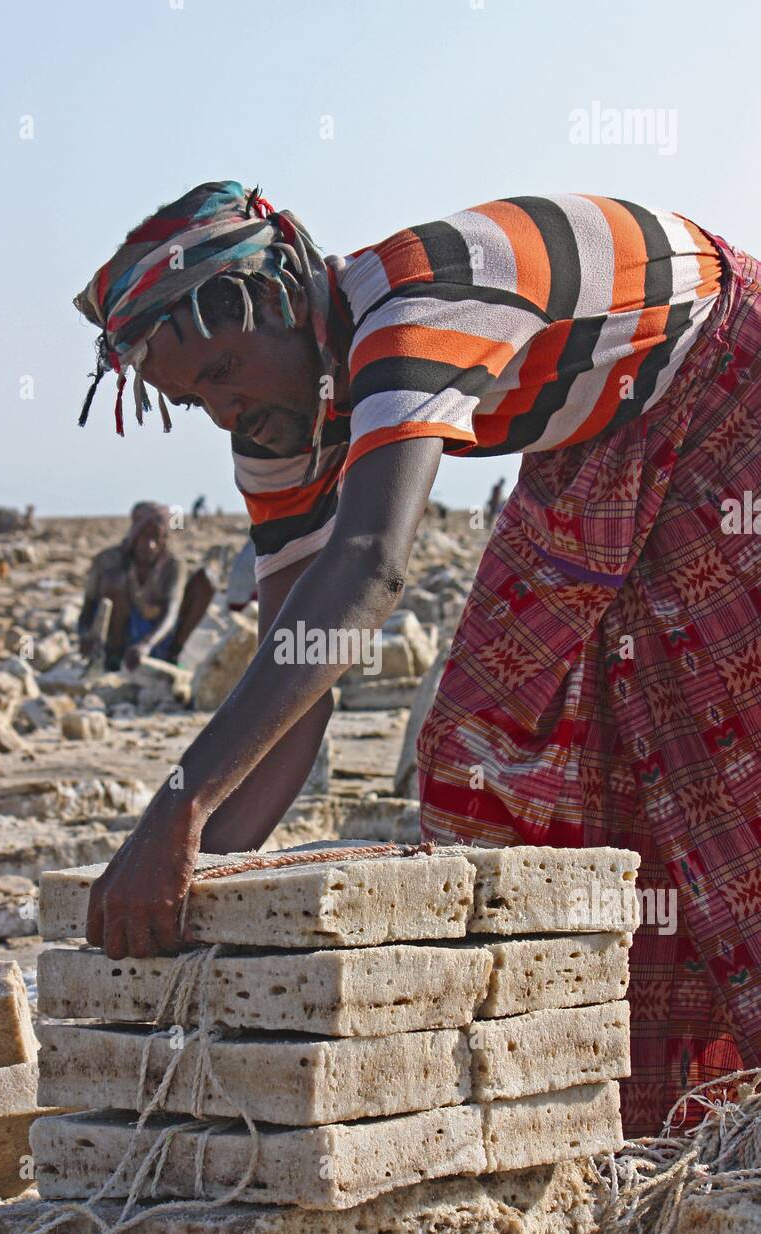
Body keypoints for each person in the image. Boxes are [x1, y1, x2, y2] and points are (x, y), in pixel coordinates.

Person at [74, 180, 761, 1136]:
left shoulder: (416, 307)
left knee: (714, 742)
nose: (227, 412)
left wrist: (176, 811)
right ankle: (626, 1103)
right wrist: (198, 888)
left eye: (228, 370)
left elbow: (369, 570)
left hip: (730, 381)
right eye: (197, 399)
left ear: (284, 302)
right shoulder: (282, 419)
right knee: (493, 742)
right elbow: (301, 668)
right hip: (596, 439)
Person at [78, 501, 213, 671]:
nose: (150, 545)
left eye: (155, 537)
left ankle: (172, 654)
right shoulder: (108, 560)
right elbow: (87, 608)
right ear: (133, 535)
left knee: (205, 581)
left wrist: (146, 645)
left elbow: (171, 613)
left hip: (157, 636)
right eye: (144, 536)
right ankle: (113, 656)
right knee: (114, 581)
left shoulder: (172, 565)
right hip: (124, 632)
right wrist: (84, 636)